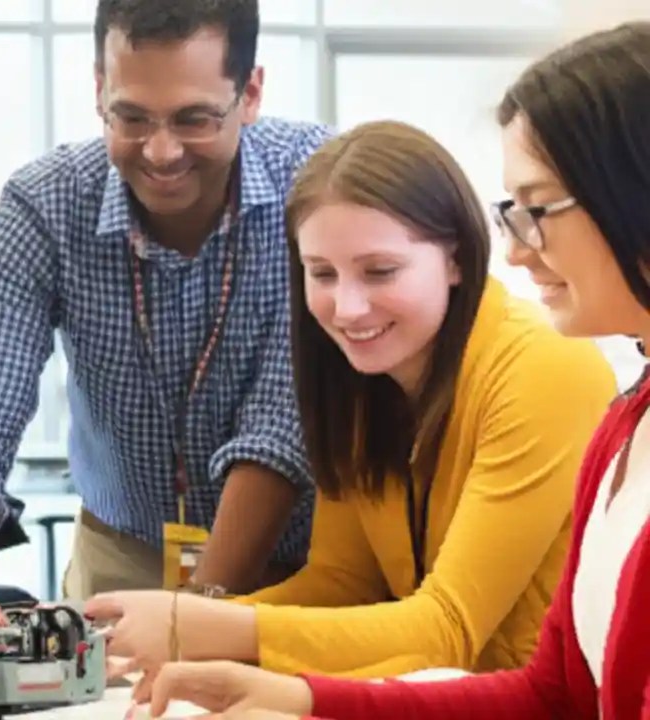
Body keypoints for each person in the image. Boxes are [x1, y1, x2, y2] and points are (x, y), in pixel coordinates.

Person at [129, 20, 650, 720]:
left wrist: (204, 626)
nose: (521, 252)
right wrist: (282, 687)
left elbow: (452, 632)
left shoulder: (547, 367)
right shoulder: (625, 424)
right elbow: (353, 585)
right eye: (320, 273)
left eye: (537, 211)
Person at [0, 0, 333, 619]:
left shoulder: (315, 182)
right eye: (130, 116)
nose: (160, 152)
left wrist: (191, 621)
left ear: (251, 92)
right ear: (100, 88)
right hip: (123, 556)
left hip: (303, 566)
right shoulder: (46, 203)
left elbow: (279, 433)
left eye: (194, 119)